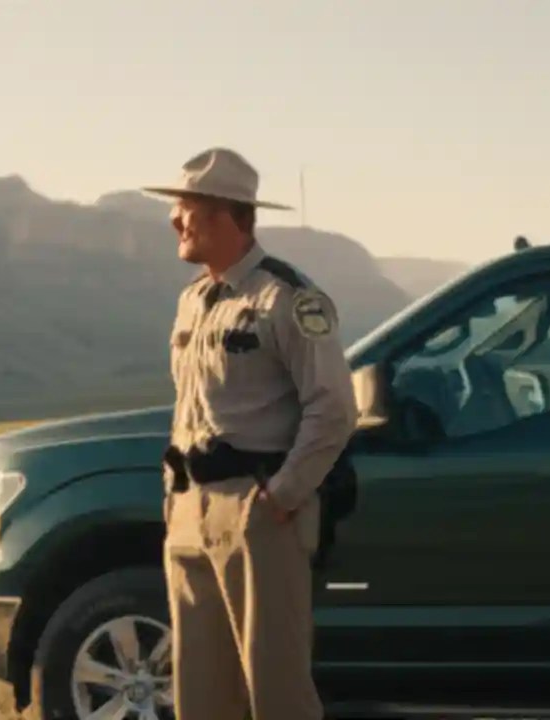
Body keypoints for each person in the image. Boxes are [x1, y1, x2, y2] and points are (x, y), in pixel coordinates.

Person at [141, 147, 358, 719]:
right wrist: (175, 498)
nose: (174, 220)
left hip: (257, 513)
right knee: (201, 696)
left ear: (223, 213)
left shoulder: (286, 297)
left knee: (276, 692)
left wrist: (282, 496)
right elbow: (191, 405)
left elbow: (333, 408)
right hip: (190, 513)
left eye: (184, 207)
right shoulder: (193, 301)